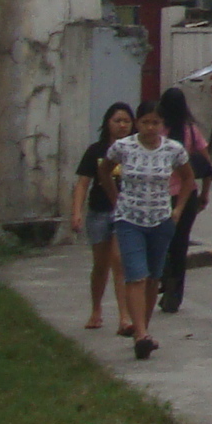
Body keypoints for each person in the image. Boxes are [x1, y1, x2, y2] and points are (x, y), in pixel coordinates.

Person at [107, 104, 194, 360]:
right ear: (137, 123)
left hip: (160, 220)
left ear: (162, 125)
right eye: (145, 122)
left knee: (153, 276)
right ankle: (142, 334)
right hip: (129, 219)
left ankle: (141, 331)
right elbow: (104, 171)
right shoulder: (123, 147)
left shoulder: (173, 149)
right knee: (136, 275)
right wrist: (116, 200)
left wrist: (177, 210)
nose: (150, 128)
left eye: (155, 123)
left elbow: (189, 179)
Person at [72, 103, 135, 332]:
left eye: (126, 121)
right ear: (108, 123)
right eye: (117, 121)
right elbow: (82, 184)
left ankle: (124, 317)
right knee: (101, 265)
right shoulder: (96, 151)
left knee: (119, 261)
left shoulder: (135, 151)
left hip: (124, 213)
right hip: (99, 212)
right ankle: (96, 309)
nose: (122, 125)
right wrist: (76, 212)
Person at [155, 87, 212, 314]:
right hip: (187, 197)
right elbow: (207, 166)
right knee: (179, 246)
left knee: (160, 242)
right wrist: (204, 194)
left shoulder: (158, 131)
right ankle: (174, 295)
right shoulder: (191, 131)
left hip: (161, 197)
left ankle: (162, 277)